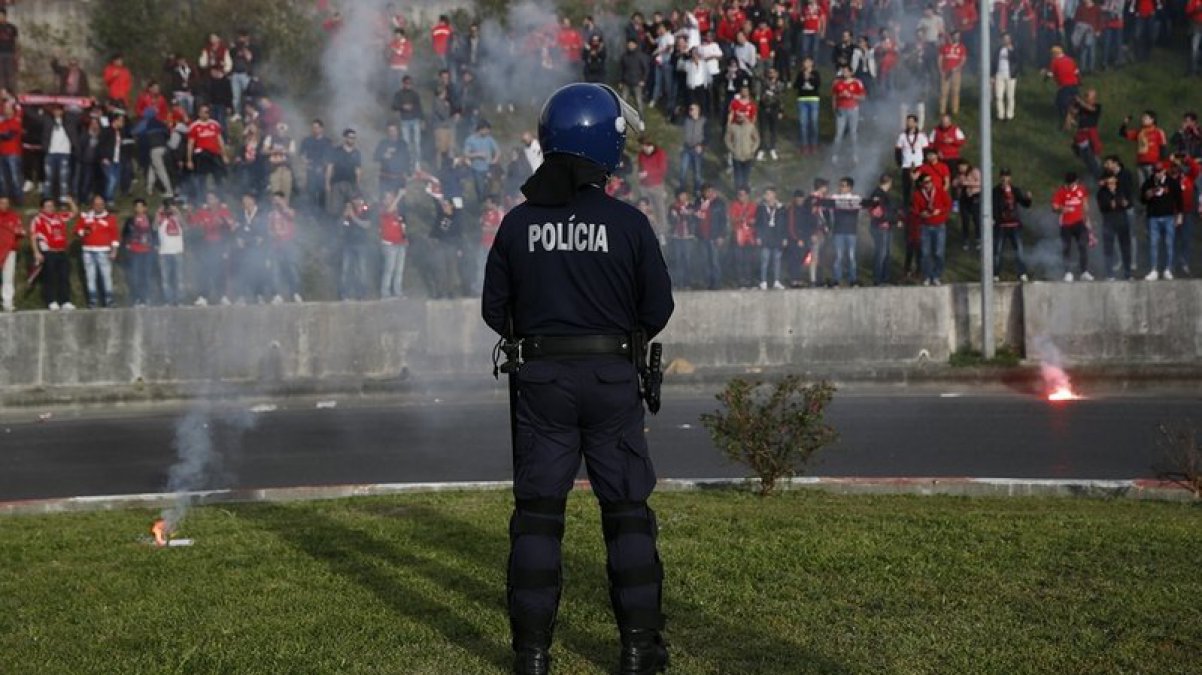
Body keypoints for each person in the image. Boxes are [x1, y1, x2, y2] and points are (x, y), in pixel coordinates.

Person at [480, 83, 672, 675]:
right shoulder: (630, 223)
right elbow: (657, 308)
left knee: (538, 515)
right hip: (612, 378)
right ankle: (640, 649)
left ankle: (531, 654)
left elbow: (494, 310)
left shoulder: (517, 224)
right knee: (627, 514)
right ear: (603, 147)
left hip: (542, 382)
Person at [31, 197, 78, 310]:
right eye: (47, 206)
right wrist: (36, 252)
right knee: (50, 277)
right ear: (42, 208)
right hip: (48, 252)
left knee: (64, 276)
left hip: (61, 251)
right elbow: (33, 237)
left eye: (52, 206)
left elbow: (75, 213)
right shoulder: (38, 219)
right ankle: (51, 300)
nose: (50, 208)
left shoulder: (59, 216)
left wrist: (71, 202)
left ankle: (65, 300)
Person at [189, 191, 234, 305]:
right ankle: (203, 296)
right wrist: (191, 215)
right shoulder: (202, 212)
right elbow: (193, 225)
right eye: (208, 199)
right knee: (204, 271)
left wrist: (223, 223)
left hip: (220, 244)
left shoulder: (224, 211)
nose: (210, 201)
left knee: (220, 271)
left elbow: (232, 227)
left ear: (217, 200)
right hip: (206, 245)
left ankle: (222, 296)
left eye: (212, 198)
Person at [75, 195, 120, 309]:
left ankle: (109, 300)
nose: (98, 206)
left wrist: (114, 251)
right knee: (90, 276)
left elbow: (115, 236)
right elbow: (77, 230)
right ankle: (93, 300)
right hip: (88, 251)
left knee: (106, 276)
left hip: (104, 251)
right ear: (92, 205)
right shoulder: (86, 216)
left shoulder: (110, 218)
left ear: (104, 205)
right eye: (96, 204)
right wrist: (83, 232)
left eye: (101, 204)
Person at [1140, 162, 1182, 280]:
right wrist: (1149, 194)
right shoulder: (1148, 182)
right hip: (1153, 217)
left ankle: (1168, 269)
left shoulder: (1172, 182)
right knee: (1153, 244)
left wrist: (1179, 215)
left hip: (1168, 216)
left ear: (1164, 171)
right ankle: (1154, 269)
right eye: (1155, 172)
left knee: (1169, 243)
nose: (1157, 174)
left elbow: (1179, 199)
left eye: (1159, 171)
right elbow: (1142, 200)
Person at [1051, 171, 1094, 282]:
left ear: (1076, 181)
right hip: (1066, 224)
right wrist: (1062, 209)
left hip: (1079, 222)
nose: (1070, 185)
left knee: (1082, 246)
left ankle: (1084, 271)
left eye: (1072, 183)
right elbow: (1054, 207)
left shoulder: (1081, 189)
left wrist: (1088, 220)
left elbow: (1085, 205)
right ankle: (1067, 272)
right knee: (1066, 248)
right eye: (1068, 183)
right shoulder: (1061, 191)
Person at [992, 168, 1032, 282]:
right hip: (1001, 225)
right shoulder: (995, 191)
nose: (1005, 179)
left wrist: (1029, 199)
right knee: (998, 251)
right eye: (1003, 176)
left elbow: (1024, 203)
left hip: (1014, 225)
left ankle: (1022, 273)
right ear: (1000, 178)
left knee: (1019, 250)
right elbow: (994, 206)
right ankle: (995, 274)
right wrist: (995, 218)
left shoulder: (1015, 190)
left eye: (1007, 176)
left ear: (1010, 178)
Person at [823, 177, 864, 287]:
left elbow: (859, 206)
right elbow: (826, 207)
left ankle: (853, 279)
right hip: (838, 231)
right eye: (840, 185)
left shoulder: (856, 198)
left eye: (844, 186)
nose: (841, 188)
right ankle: (836, 279)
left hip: (851, 232)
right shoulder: (835, 197)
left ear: (850, 187)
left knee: (851, 257)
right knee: (838, 257)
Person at [912, 172, 951, 285]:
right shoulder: (917, 194)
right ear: (921, 184)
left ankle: (937, 275)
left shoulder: (939, 191)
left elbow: (948, 205)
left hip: (939, 225)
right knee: (925, 253)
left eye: (930, 181)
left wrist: (939, 211)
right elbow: (915, 209)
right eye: (926, 182)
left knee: (939, 252)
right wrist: (921, 213)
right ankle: (927, 276)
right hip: (925, 226)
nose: (929, 184)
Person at [1096, 172, 1133, 280]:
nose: (1112, 184)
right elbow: (1104, 206)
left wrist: (1126, 203)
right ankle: (1110, 274)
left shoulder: (1121, 191)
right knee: (1108, 250)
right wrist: (1112, 203)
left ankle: (1128, 273)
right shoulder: (1102, 193)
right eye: (1110, 182)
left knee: (1126, 249)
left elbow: (1129, 202)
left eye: (1114, 182)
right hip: (1109, 223)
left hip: (1123, 222)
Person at [267, 192, 301, 303]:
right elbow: (268, 230)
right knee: (275, 270)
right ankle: (277, 294)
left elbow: (292, 216)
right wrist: (273, 234)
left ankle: (295, 293)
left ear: (284, 199)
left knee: (292, 269)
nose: (276, 202)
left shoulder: (289, 210)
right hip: (276, 246)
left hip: (289, 244)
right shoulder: (271, 215)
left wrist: (283, 206)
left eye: (278, 199)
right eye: (274, 200)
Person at [122, 199, 157, 306]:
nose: (139, 209)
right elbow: (125, 234)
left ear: (145, 208)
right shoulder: (130, 220)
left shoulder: (150, 220)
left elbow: (155, 232)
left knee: (146, 275)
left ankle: (145, 298)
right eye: (136, 206)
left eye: (141, 206)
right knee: (135, 276)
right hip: (134, 251)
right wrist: (127, 244)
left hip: (148, 251)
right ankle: (137, 298)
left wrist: (156, 245)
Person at [868, 174, 900, 285]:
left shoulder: (884, 194)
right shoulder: (877, 194)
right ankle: (878, 279)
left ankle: (885, 278)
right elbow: (877, 213)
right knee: (881, 254)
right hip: (880, 227)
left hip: (886, 227)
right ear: (889, 182)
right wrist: (894, 221)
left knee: (886, 254)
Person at [830, 65, 865, 164]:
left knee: (853, 133)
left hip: (853, 110)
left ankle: (855, 154)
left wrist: (852, 95)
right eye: (843, 71)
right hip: (841, 110)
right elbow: (834, 97)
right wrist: (834, 108)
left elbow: (862, 97)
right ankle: (835, 155)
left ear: (851, 72)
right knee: (839, 134)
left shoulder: (857, 82)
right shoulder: (837, 83)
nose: (844, 73)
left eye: (846, 71)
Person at [695, 183, 727, 289]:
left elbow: (723, 221)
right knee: (704, 261)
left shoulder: (719, 203)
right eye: (708, 191)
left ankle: (716, 283)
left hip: (714, 236)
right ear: (703, 192)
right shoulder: (698, 202)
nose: (710, 193)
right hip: (702, 236)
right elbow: (694, 218)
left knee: (715, 261)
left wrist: (721, 236)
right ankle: (706, 282)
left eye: (712, 191)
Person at [155, 199, 186, 305]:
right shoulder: (161, 218)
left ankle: (180, 300)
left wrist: (177, 211)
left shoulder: (178, 218)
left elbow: (185, 226)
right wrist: (159, 212)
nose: (169, 209)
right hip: (164, 252)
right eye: (167, 206)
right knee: (166, 280)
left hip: (177, 251)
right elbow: (154, 227)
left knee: (179, 278)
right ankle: (168, 300)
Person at [378, 188, 407, 299]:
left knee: (399, 270)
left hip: (401, 244)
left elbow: (402, 227)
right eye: (388, 198)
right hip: (389, 245)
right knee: (389, 269)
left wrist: (405, 239)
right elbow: (389, 210)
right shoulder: (383, 210)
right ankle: (385, 293)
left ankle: (397, 292)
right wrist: (399, 196)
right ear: (384, 201)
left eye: (392, 198)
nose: (390, 200)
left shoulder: (398, 213)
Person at [326, 129, 361, 217]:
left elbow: (358, 171)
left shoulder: (356, 153)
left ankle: (350, 229)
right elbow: (330, 167)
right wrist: (327, 183)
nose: (352, 140)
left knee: (352, 210)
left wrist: (357, 186)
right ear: (345, 138)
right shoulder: (336, 151)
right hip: (337, 184)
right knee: (335, 210)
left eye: (354, 138)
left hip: (351, 185)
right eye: (350, 137)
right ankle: (336, 228)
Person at [463, 121, 500, 202]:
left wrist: (495, 159)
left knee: (491, 188)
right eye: (487, 130)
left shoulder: (489, 139)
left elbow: (497, 151)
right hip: (477, 169)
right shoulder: (470, 140)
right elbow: (466, 154)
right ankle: (482, 206)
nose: (488, 132)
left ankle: (491, 205)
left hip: (489, 168)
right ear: (481, 129)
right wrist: (478, 154)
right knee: (480, 189)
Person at [667, 187, 697, 288]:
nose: (683, 197)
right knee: (678, 260)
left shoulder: (692, 206)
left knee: (687, 260)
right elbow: (671, 220)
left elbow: (694, 219)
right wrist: (674, 217)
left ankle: (687, 282)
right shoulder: (673, 206)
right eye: (681, 195)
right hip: (677, 236)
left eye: (684, 195)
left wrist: (688, 215)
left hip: (688, 236)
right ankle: (677, 282)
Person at [725, 109, 759, 191]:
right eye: (738, 116)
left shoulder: (751, 126)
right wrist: (732, 149)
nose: (740, 118)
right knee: (738, 177)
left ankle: (746, 194)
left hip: (748, 156)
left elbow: (757, 139)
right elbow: (727, 139)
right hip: (736, 157)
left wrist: (752, 149)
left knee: (746, 177)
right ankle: (738, 193)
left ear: (745, 116)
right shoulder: (732, 127)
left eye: (742, 116)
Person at [952, 159, 982, 251]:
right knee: (965, 220)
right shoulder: (959, 174)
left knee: (976, 218)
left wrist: (968, 183)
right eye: (959, 166)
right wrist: (958, 182)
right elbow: (954, 184)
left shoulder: (974, 171)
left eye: (963, 166)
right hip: (963, 198)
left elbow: (981, 183)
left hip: (974, 196)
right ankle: (965, 240)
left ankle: (978, 239)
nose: (961, 168)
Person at [991, 33, 1021, 122]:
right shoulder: (998, 50)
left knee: (1010, 96)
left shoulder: (1014, 49)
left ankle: (1009, 116)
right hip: (999, 75)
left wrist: (1011, 50)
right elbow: (993, 63)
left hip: (1010, 75)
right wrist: (992, 75)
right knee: (999, 96)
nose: (1006, 41)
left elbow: (1017, 60)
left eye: (1008, 39)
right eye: (1004, 39)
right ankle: (1000, 115)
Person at [794, 56, 821, 155]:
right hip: (802, 100)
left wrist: (810, 77)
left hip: (813, 100)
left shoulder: (815, 73)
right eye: (805, 62)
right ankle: (804, 145)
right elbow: (795, 85)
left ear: (812, 63)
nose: (806, 64)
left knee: (814, 123)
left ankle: (814, 144)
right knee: (803, 124)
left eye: (808, 62)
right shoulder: (800, 73)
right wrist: (802, 78)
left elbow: (818, 84)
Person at [938, 30, 967, 116]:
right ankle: (942, 112)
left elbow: (963, 60)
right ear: (952, 36)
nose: (956, 37)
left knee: (955, 92)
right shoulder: (945, 47)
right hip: (946, 72)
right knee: (943, 92)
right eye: (955, 35)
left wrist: (957, 68)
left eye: (958, 35)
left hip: (956, 73)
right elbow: (940, 58)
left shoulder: (962, 47)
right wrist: (941, 70)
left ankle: (954, 112)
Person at [679, 103, 706, 195]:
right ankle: (681, 189)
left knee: (697, 171)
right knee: (683, 169)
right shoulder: (686, 120)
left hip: (697, 149)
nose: (690, 111)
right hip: (687, 148)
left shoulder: (703, 121)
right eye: (690, 109)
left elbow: (708, 136)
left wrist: (702, 146)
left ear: (698, 110)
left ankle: (697, 189)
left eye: (692, 109)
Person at [0, 195, 21, 312]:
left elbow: (19, 230)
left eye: (6, 203)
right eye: (2, 203)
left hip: (9, 250)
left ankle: (7, 303)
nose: (4, 205)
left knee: (8, 277)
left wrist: (19, 232)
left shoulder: (14, 216)